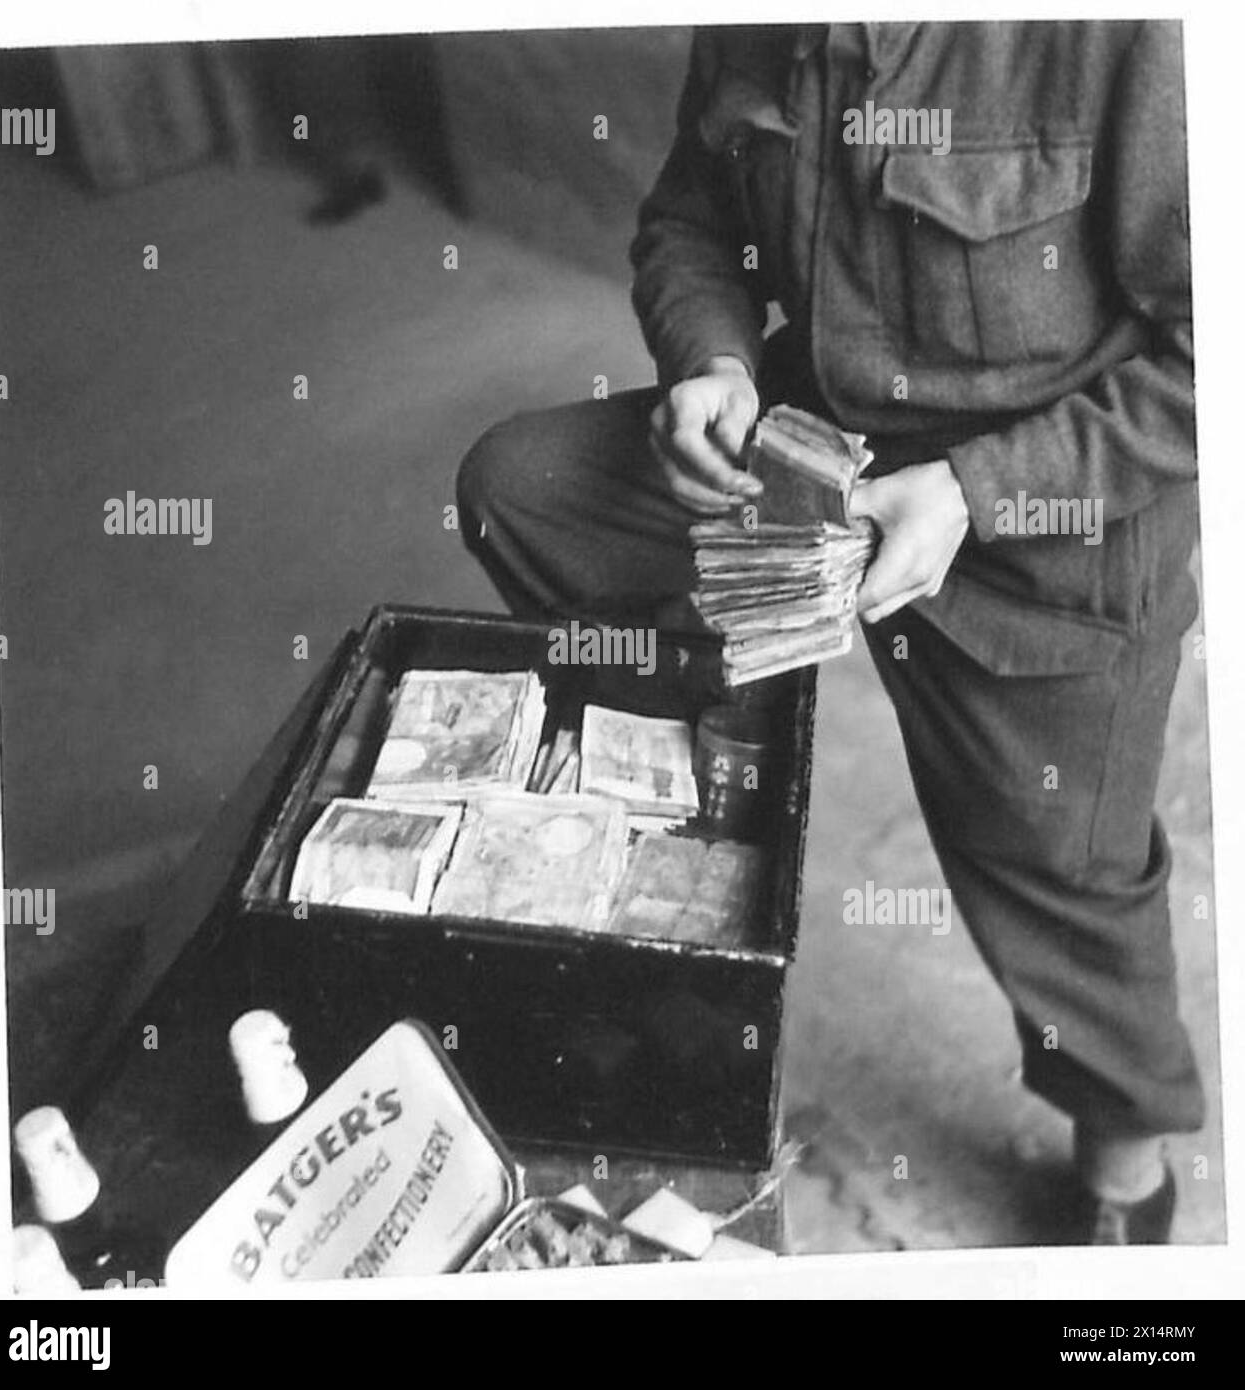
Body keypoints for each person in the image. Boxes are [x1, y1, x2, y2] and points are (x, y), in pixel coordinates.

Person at [455, 20, 1202, 1244]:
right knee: (520, 491)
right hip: (798, 451)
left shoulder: (1120, 37)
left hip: (1038, 513)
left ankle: (1124, 1157)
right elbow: (691, 218)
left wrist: (972, 493)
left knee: (1062, 864)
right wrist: (712, 364)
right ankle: (729, 733)